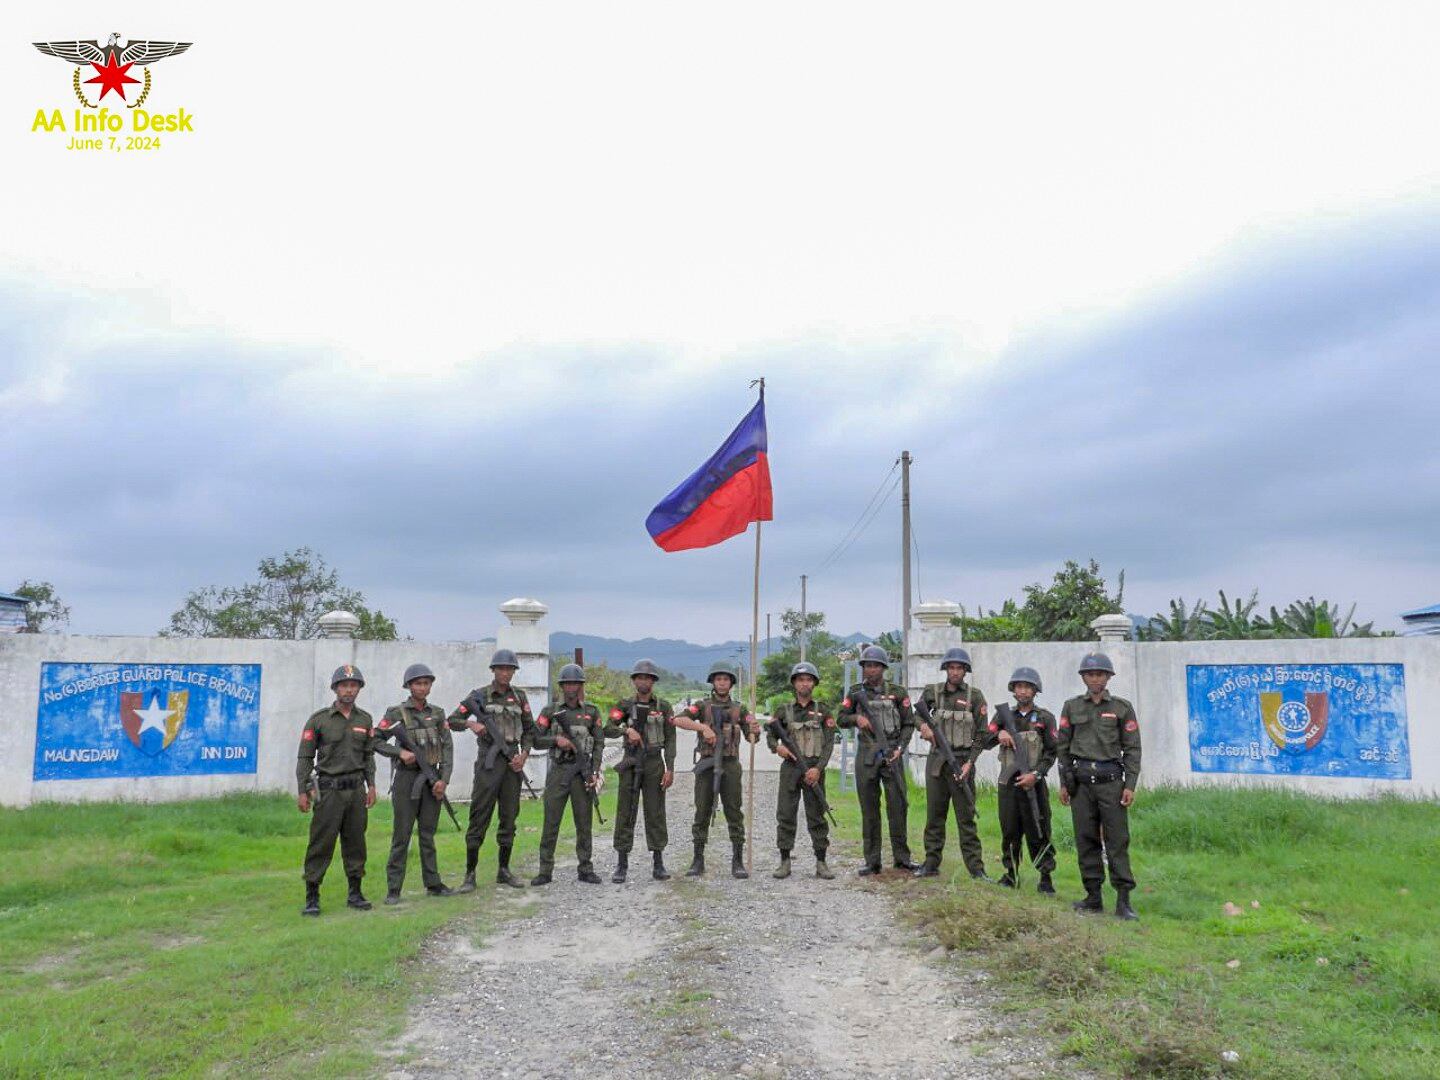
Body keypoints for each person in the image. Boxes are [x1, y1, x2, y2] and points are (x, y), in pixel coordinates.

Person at [1056, 652, 1142, 920]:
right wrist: (1064, 783)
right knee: (1085, 839)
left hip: (1111, 783)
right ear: (1083, 677)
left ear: (1108, 677)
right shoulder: (1071, 707)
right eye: (1091, 674)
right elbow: (1063, 747)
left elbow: (1132, 748)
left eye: (1100, 674)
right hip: (1081, 784)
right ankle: (1093, 896)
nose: (1095, 679)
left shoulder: (1121, 707)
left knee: (1117, 840)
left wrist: (1130, 784)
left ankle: (1123, 900)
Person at [448, 648, 536, 891]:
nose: (506, 673)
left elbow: (530, 730)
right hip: (488, 762)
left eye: (510, 669)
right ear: (493, 670)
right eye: (502, 669)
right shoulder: (478, 696)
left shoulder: (519, 697)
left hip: (512, 763)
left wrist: (524, 755)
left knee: (509, 817)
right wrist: (471, 723)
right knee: (480, 815)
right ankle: (469, 874)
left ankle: (504, 870)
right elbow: (452, 720)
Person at [296, 664, 378, 916]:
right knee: (321, 843)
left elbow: (368, 755)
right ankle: (312, 895)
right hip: (329, 791)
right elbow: (305, 757)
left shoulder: (365, 719)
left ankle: (355, 892)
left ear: (359, 689)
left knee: (356, 843)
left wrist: (372, 785)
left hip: (355, 791)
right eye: (344, 685)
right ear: (335, 688)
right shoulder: (319, 719)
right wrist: (302, 789)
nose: (349, 690)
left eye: (354, 686)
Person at [375, 663, 455, 904]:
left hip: (432, 779)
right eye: (418, 683)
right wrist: (399, 753)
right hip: (407, 779)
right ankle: (393, 889)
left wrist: (444, 780)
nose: (422, 687)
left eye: (426, 683)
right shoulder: (396, 713)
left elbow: (448, 747)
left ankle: (433, 883)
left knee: (428, 835)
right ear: (409, 686)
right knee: (402, 835)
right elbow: (376, 740)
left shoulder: (438, 713)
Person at [673, 660, 760, 878]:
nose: (722, 683)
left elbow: (753, 737)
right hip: (707, 764)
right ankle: (698, 859)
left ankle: (738, 859)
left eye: (726, 679)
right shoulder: (702, 707)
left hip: (730, 764)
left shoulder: (740, 708)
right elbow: (678, 719)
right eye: (718, 679)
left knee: (734, 811)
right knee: (702, 810)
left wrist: (754, 730)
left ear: (731, 683)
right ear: (712, 682)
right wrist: (702, 727)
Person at [837, 645, 917, 876]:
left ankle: (902, 859)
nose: (870, 670)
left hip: (892, 753)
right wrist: (856, 718)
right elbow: (840, 718)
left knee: (898, 807)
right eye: (866, 665)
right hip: (867, 755)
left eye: (874, 666)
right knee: (869, 810)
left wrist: (900, 749)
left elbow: (908, 723)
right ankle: (872, 861)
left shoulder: (898, 692)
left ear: (883, 668)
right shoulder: (854, 692)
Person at [913, 647, 990, 880]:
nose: (955, 672)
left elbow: (982, 734)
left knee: (966, 819)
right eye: (951, 667)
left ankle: (976, 869)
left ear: (965, 671)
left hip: (963, 764)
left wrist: (971, 763)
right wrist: (923, 726)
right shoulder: (932, 692)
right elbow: (915, 714)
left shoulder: (974, 697)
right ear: (945, 669)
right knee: (935, 817)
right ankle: (931, 863)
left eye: (959, 668)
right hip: (937, 763)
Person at [531, 664, 605, 885]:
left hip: (582, 773)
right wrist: (556, 740)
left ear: (581, 686)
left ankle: (585, 867)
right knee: (551, 822)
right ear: (562, 686)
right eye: (567, 684)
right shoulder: (550, 711)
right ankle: (545, 870)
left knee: (584, 823)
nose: (571, 687)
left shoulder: (591, 711)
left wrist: (594, 771)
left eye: (575, 683)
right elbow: (535, 740)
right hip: (559, 770)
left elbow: (599, 742)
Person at [604, 659, 677, 882]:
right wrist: (626, 731)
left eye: (648, 678)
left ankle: (658, 862)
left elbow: (671, 738)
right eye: (640, 677)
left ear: (653, 681)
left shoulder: (663, 707)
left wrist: (670, 768)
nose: (644, 681)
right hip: (631, 761)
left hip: (654, 763)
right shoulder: (624, 705)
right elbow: (607, 727)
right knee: (626, 810)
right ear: (634, 680)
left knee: (655, 812)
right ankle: (621, 864)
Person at [988, 666, 1057, 893]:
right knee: (1010, 829)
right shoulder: (1003, 715)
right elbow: (985, 737)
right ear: (1013, 690)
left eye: (1028, 687)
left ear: (1035, 691)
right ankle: (1011, 873)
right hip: (1009, 783)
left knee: (1039, 827)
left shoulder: (1045, 718)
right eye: (1019, 687)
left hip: (1034, 783)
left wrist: (1035, 775)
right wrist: (999, 733)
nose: (1023, 691)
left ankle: (1045, 877)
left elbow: (1051, 753)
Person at [768, 661, 836, 880]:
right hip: (790, 770)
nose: (804, 683)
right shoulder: (784, 711)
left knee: (816, 815)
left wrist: (818, 768)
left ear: (814, 683)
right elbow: (770, 734)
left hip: (814, 770)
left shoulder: (823, 710)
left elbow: (828, 743)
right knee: (786, 814)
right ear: (794, 684)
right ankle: (785, 861)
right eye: (800, 679)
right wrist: (776, 747)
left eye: (808, 679)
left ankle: (821, 862)